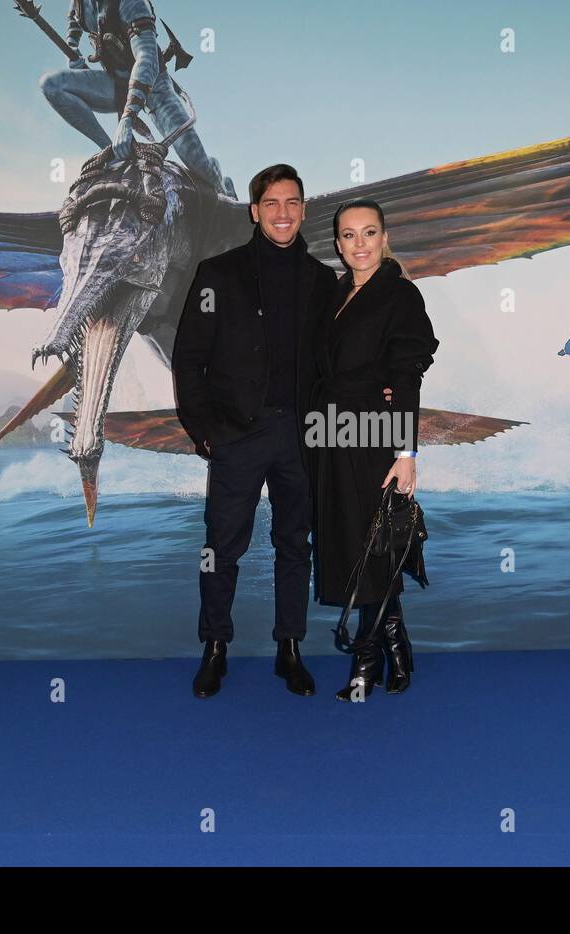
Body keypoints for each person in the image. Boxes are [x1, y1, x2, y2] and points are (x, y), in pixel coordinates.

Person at [172, 164, 339, 698]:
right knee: (220, 548)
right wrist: (204, 433)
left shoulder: (322, 281)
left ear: (304, 210)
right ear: (254, 211)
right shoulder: (216, 274)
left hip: (301, 438)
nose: (283, 213)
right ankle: (214, 647)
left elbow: (336, 364)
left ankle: (289, 648)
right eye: (272, 203)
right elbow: (188, 359)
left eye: (292, 202)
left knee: (295, 546)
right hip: (236, 437)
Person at [308, 199, 439, 701]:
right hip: (329, 435)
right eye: (348, 235)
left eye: (368, 233)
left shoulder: (400, 295)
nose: (359, 244)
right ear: (338, 244)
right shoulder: (336, 292)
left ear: (384, 237)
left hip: (373, 437)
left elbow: (406, 377)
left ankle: (364, 664)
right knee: (355, 545)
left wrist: (407, 453)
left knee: (369, 548)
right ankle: (397, 646)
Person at [40, 0, 236, 198]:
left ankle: (223, 185)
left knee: (197, 163)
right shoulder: (80, 3)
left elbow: (146, 58)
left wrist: (127, 118)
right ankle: (113, 156)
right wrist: (72, 48)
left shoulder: (132, 3)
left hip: (155, 86)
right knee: (52, 85)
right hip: (117, 83)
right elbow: (74, 21)